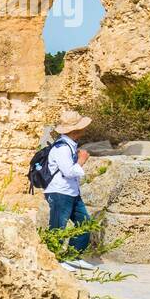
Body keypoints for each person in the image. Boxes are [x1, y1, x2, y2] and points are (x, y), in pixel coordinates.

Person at [44, 109, 96, 271]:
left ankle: (73, 255)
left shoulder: (69, 145)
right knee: (58, 225)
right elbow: (68, 171)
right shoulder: (61, 148)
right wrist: (82, 160)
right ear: (75, 130)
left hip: (71, 192)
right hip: (60, 192)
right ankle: (54, 259)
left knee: (85, 223)